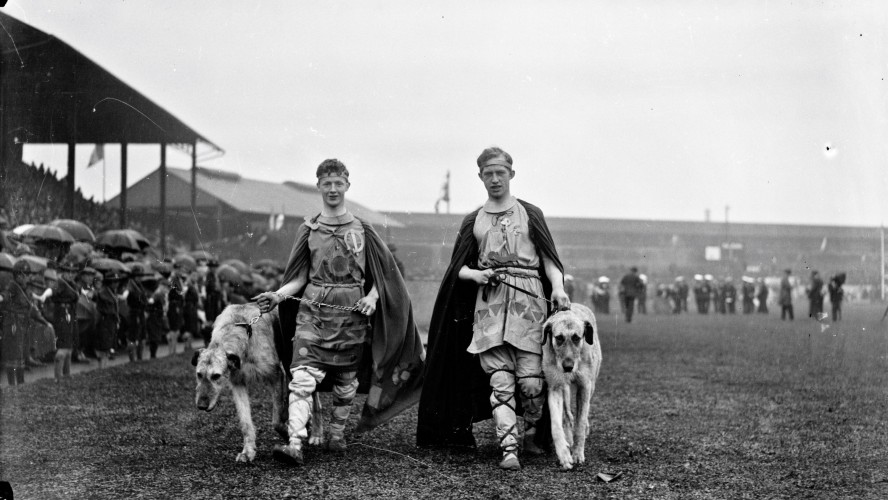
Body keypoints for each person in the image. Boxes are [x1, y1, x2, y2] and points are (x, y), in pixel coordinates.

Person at [254, 158, 424, 466]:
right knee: (302, 377)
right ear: (318, 186)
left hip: (351, 316)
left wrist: (372, 297)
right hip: (313, 313)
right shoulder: (308, 229)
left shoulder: (363, 229)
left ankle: (336, 433)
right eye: (327, 183)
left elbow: (384, 275)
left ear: (347, 185)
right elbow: (299, 277)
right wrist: (278, 296)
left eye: (338, 183)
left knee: (346, 383)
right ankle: (295, 442)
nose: (333, 189)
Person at [416, 146, 569, 471]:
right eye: (489, 173)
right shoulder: (474, 220)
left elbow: (549, 260)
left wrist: (557, 287)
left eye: (500, 172)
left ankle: (531, 433)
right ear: (481, 176)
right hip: (489, 308)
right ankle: (508, 448)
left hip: (529, 305)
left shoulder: (530, 214)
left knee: (531, 383)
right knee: (500, 381)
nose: (495, 179)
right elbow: (457, 268)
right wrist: (477, 274)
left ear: (511, 174)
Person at [1, 260, 50, 385]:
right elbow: (4, 296)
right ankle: (12, 386)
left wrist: (44, 321)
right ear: (18, 276)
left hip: (23, 325)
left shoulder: (25, 289)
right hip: (13, 325)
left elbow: (31, 308)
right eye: (25, 275)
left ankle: (20, 384)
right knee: (14, 357)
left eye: (28, 274)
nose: (28, 277)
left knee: (22, 355)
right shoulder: (12, 287)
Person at [49, 258, 80, 381]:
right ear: (63, 272)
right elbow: (51, 292)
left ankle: (66, 375)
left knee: (69, 347)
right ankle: (57, 378)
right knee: (63, 348)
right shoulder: (59, 282)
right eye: (68, 271)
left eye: (73, 272)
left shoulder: (73, 284)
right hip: (62, 314)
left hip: (71, 314)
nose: (71, 274)